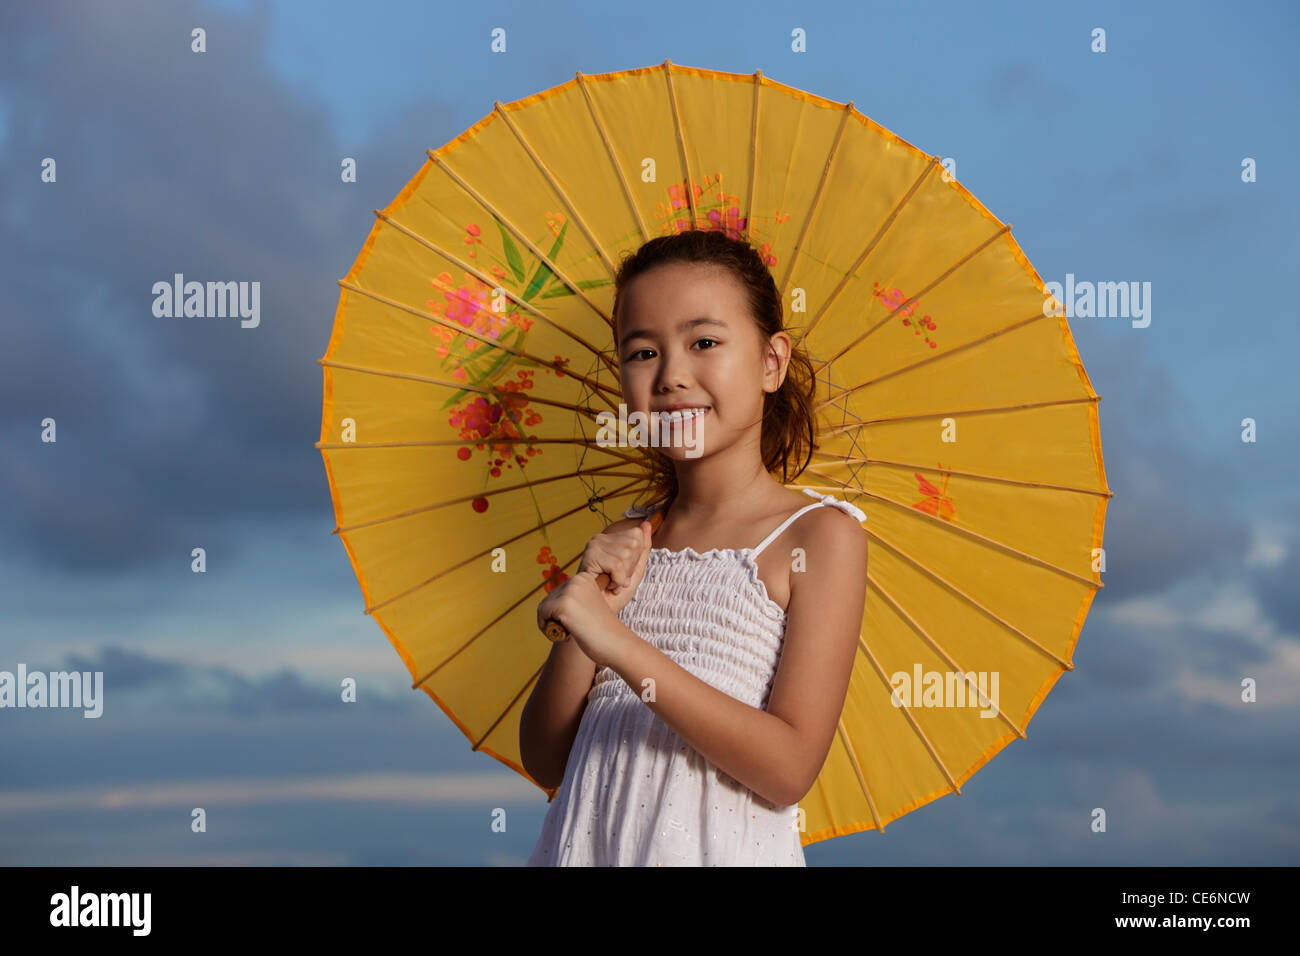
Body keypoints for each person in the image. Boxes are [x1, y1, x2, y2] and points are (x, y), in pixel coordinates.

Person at [521, 228, 869, 866]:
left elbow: (788, 768)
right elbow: (545, 760)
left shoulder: (817, 537)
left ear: (772, 361)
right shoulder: (629, 543)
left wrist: (616, 644)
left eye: (704, 342)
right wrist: (585, 619)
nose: (673, 375)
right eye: (642, 352)